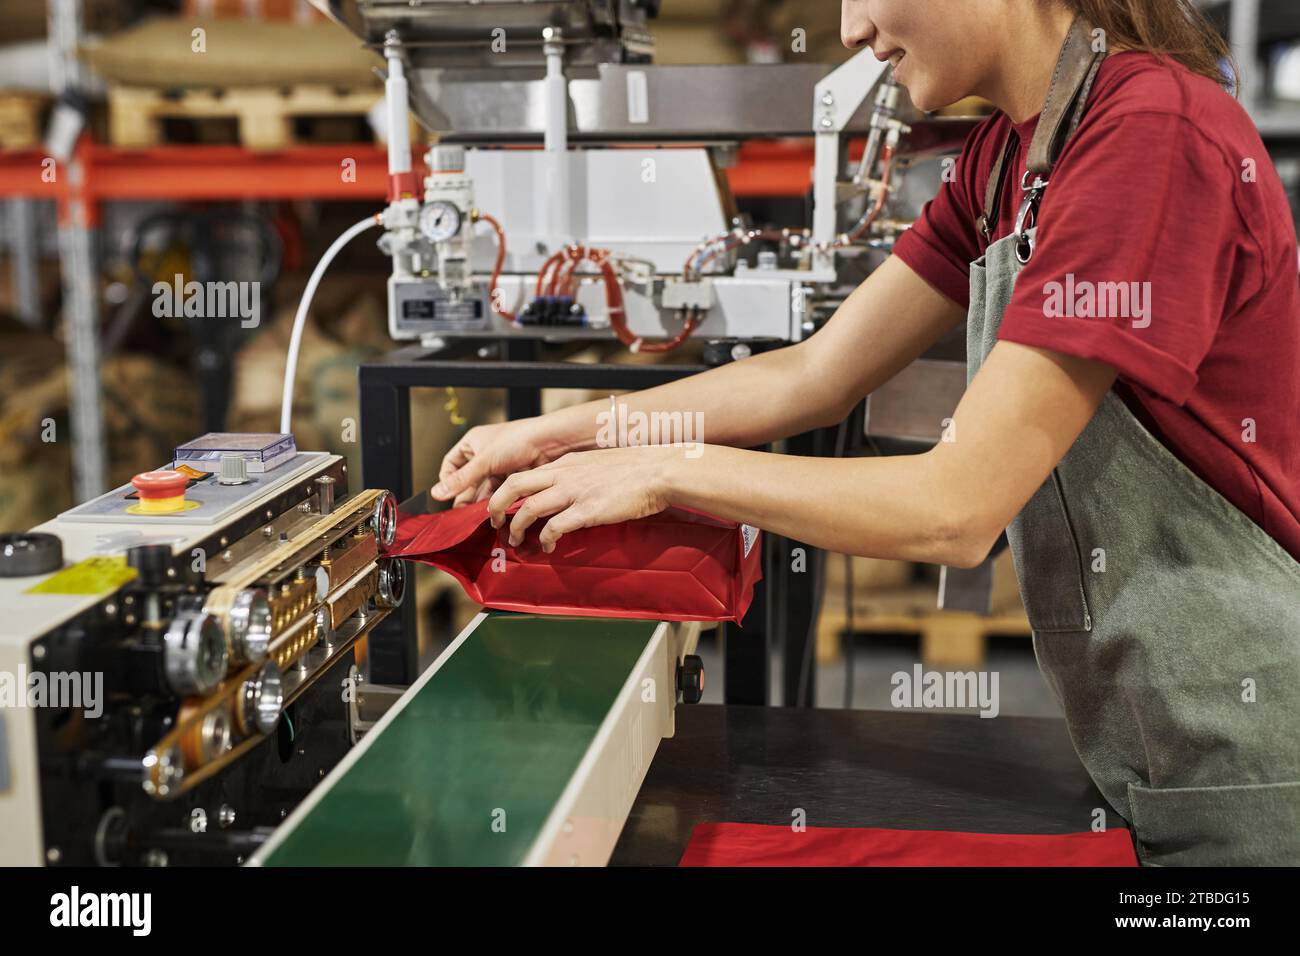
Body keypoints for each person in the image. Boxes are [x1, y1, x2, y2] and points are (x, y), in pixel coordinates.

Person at [432, 0, 1300, 865]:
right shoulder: (1007, 158)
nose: (848, 27)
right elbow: (815, 374)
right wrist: (564, 435)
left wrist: (668, 471)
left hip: (1254, 773)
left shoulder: (1149, 136)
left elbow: (955, 509)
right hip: (1159, 755)